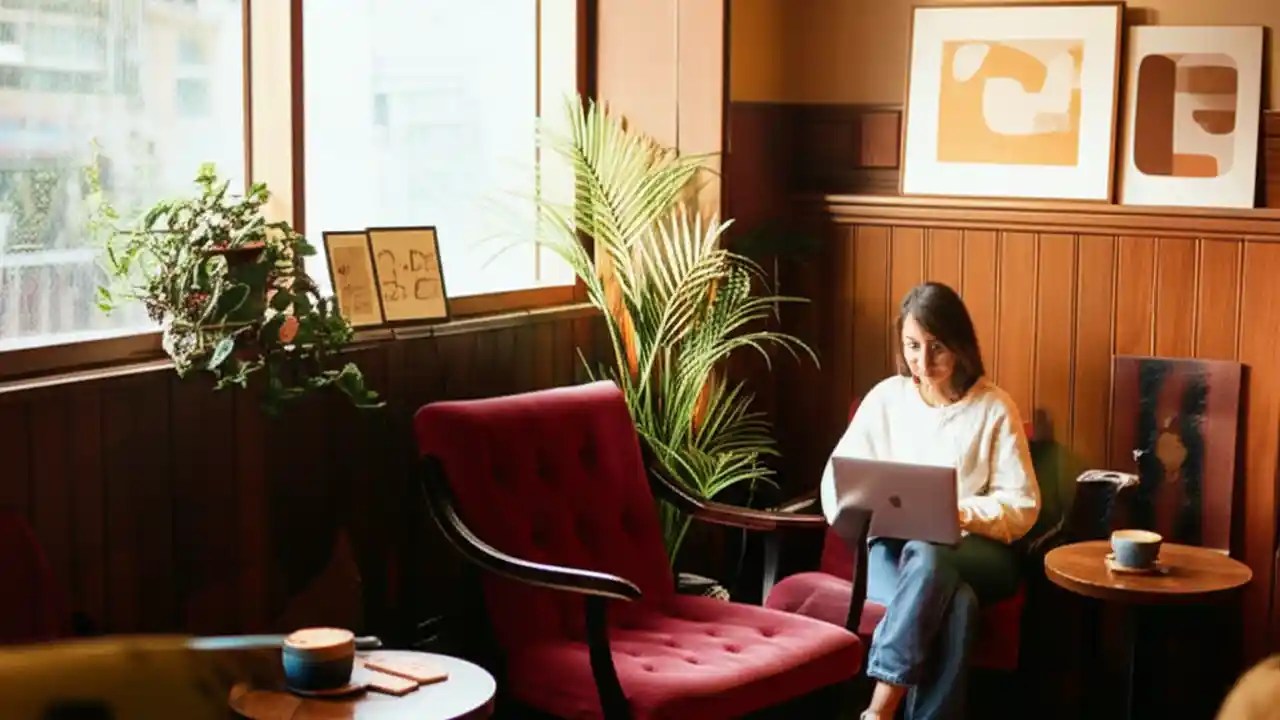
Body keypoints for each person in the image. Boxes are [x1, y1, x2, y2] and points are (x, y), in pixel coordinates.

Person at [818, 281, 1041, 720]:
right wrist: (860, 516)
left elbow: (1023, 505)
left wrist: (957, 512)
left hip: (977, 551)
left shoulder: (994, 407)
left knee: (931, 553)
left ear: (960, 344)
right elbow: (836, 480)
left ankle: (879, 707)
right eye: (912, 346)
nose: (922, 361)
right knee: (957, 604)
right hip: (891, 551)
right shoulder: (886, 399)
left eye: (936, 346)